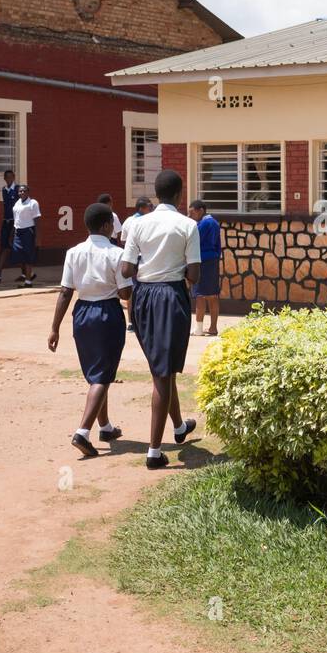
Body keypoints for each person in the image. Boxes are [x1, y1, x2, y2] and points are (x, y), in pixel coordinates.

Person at [120, 170, 200, 470]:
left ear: (156, 194)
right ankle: (154, 452)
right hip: (171, 296)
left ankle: (179, 427)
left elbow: (126, 269)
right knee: (163, 373)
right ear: (179, 194)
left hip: (142, 299)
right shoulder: (188, 225)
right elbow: (194, 274)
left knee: (161, 368)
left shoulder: (138, 224)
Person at [49, 203, 134, 458]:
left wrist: (54, 328)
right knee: (102, 375)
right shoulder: (116, 253)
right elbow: (125, 293)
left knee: (97, 372)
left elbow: (65, 291)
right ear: (107, 226)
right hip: (107, 314)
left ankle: (105, 426)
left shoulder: (73, 252)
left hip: (82, 314)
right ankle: (82, 432)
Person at [187, 199, 221, 335]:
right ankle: (212, 327)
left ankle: (199, 328)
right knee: (212, 295)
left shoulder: (204, 223)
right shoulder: (213, 222)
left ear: (201, 210)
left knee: (200, 295)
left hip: (203, 261)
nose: (190, 216)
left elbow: (193, 240)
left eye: (192, 213)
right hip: (212, 260)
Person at [121, 196, 152, 330]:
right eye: (149, 206)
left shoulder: (128, 221)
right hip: (144, 258)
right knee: (146, 287)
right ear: (142, 208)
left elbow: (123, 240)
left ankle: (131, 322)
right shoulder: (147, 221)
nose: (151, 209)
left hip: (131, 259)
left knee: (132, 289)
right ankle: (144, 320)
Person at [0, 170, 21, 284]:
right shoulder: (4, 190)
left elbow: (19, 209)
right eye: (6, 177)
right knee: (5, 247)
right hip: (6, 221)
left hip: (14, 222)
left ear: (14, 177)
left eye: (10, 177)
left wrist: (16, 225)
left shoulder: (18, 189)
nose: (8, 179)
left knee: (11, 248)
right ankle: (26, 273)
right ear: (4, 178)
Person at [10, 184, 42, 287]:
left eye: (24, 191)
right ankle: (30, 274)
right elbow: (16, 220)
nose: (22, 192)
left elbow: (37, 220)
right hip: (18, 232)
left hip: (28, 231)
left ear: (28, 192)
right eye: (20, 191)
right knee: (17, 255)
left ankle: (28, 282)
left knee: (28, 256)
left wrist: (37, 237)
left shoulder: (33, 203)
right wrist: (12, 234)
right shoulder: (17, 203)